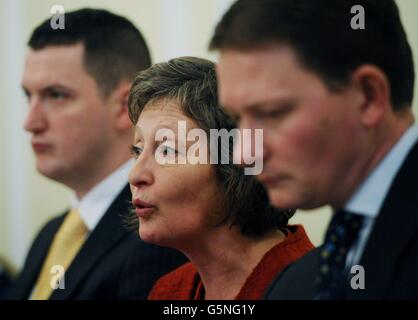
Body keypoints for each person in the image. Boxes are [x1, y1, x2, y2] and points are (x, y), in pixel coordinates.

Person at [210, 0, 418, 299]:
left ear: (368, 97)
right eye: (236, 119)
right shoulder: (295, 284)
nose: (244, 154)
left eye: (272, 112)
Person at [5, 8, 187, 300]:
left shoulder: (160, 236)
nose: (30, 122)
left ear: (124, 106)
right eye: (29, 96)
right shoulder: (50, 234)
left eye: (56, 95)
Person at [127, 56, 314, 300]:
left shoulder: (316, 289)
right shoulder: (168, 291)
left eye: (167, 150)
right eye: (137, 151)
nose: (135, 175)